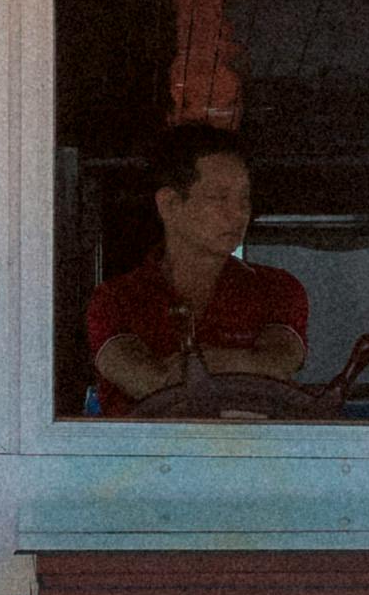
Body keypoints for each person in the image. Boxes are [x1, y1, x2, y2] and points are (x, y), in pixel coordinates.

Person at [82, 122, 312, 409]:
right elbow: (149, 383)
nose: (239, 212)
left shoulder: (276, 290)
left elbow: (279, 365)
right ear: (169, 205)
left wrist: (190, 364)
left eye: (244, 198)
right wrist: (244, 364)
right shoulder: (116, 300)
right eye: (219, 198)